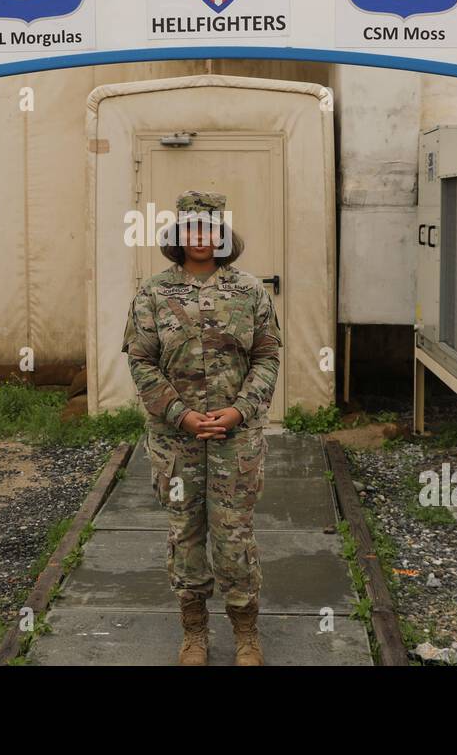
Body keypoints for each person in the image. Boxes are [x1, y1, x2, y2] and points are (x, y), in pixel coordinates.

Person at [121, 190, 281, 665]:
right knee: (185, 535)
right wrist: (181, 415)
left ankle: (246, 633)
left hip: (236, 440)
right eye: (191, 227)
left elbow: (267, 357)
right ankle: (193, 631)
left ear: (223, 235)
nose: (201, 237)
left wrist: (240, 411)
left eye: (210, 227)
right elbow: (141, 361)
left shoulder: (251, 292)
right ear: (176, 235)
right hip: (176, 443)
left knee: (233, 535)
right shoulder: (153, 293)